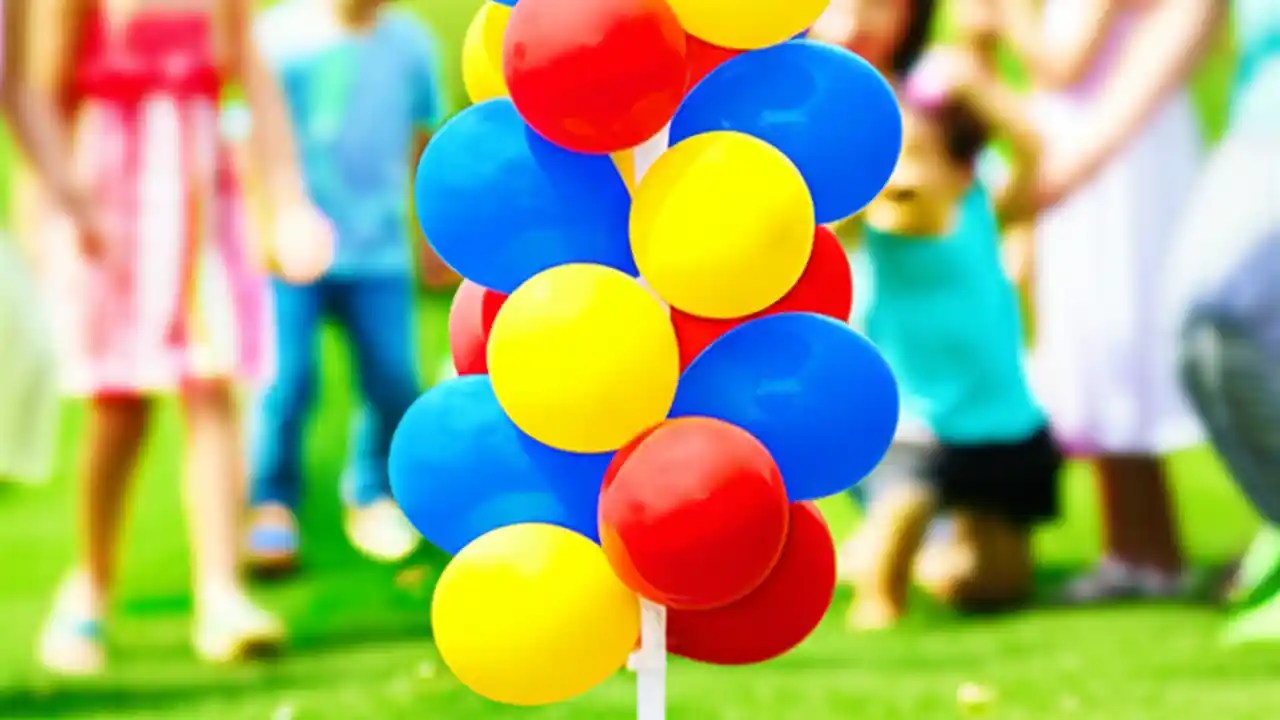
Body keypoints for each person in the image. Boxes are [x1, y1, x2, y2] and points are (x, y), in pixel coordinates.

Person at [30, 0, 332, 675]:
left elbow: (252, 79)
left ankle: (222, 594)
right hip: (112, 199)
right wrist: (61, 202)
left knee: (213, 386)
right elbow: (43, 93)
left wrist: (287, 199)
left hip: (203, 196)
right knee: (119, 408)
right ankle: (88, 588)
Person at [840, 48, 1061, 629]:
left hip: (1001, 417)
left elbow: (1035, 149)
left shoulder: (985, 205)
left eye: (918, 156)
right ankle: (877, 595)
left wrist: (982, 88)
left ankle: (937, 557)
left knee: (995, 587)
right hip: (918, 421)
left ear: (960, 169)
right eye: (891, 160)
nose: (903, 175)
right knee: (904, 507)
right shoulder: (874, 229)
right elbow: (838, 224)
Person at [996, 0, 1203, 601]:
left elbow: (1060, 64)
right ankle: (1132, 550)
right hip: (1098, 151)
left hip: (1111, 166)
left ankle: (1150, 552)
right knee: (1094, 343)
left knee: (1113, 335)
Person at [245, 0, 444, 572]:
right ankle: (271, 505)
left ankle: (372, 490)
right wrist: (265, 227)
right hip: (294, 247)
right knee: (286, 380)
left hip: (378, 248)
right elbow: (250, 139)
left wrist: (426, 238)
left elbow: (419, 143)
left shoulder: (410, 44)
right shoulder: (279, 37)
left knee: (390, 376)